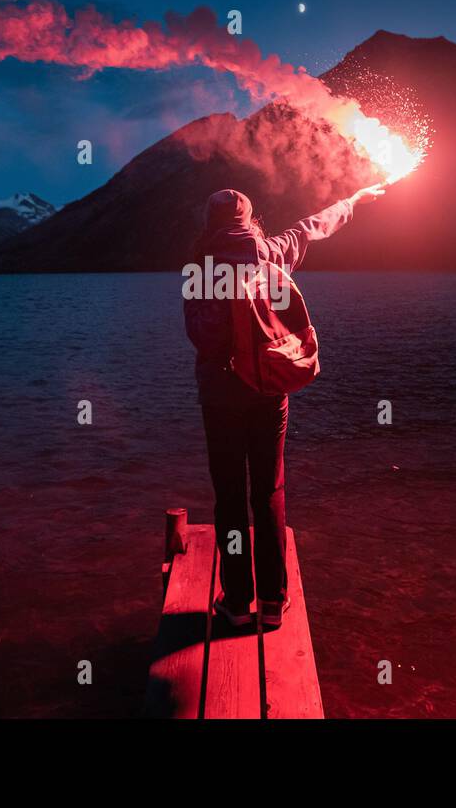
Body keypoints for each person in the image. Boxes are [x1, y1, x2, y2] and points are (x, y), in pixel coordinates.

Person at [182, 183, 386, 628]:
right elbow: (311, 228)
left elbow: (201, 337)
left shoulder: (200, 267)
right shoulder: (272, 252)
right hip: (270, 388)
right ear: (249, 220)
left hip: (220, 395)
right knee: (269, 492)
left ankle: (237, 602)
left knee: (231, 498)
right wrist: (353, 201)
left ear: (210, 222)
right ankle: (273, 602)